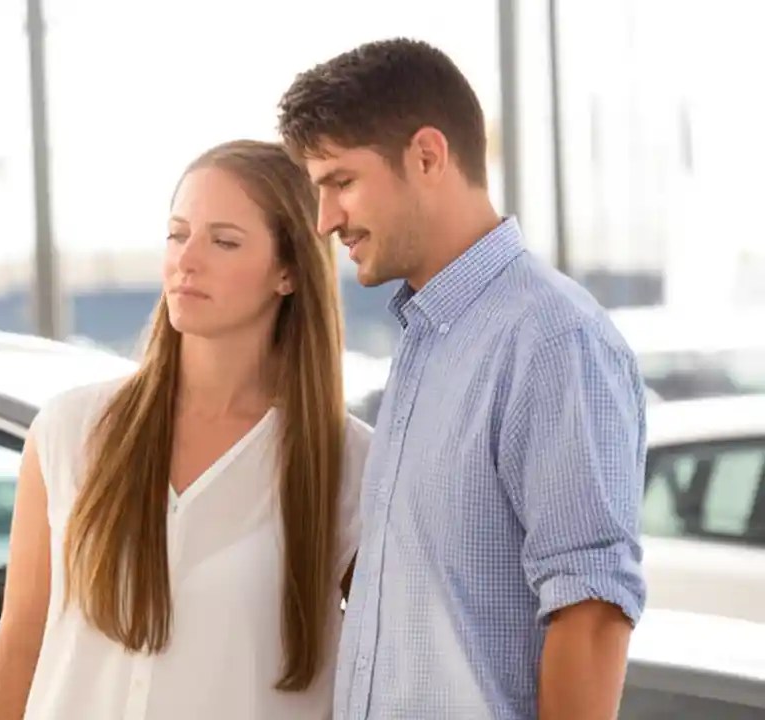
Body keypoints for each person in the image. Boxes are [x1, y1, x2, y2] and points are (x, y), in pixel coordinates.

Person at [277, 38, 647, 720]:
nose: (326, 220)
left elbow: (592, 617)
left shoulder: (553, 342)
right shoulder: (426, 343)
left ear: (426, 156)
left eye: (341, 182)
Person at [0, 139, 371, 720]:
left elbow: (387, 669)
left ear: (288, 272)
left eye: (224, 241)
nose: (187, 259)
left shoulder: (352, 464)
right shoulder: (68, 434)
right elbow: (20, 642)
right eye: (178, 233)